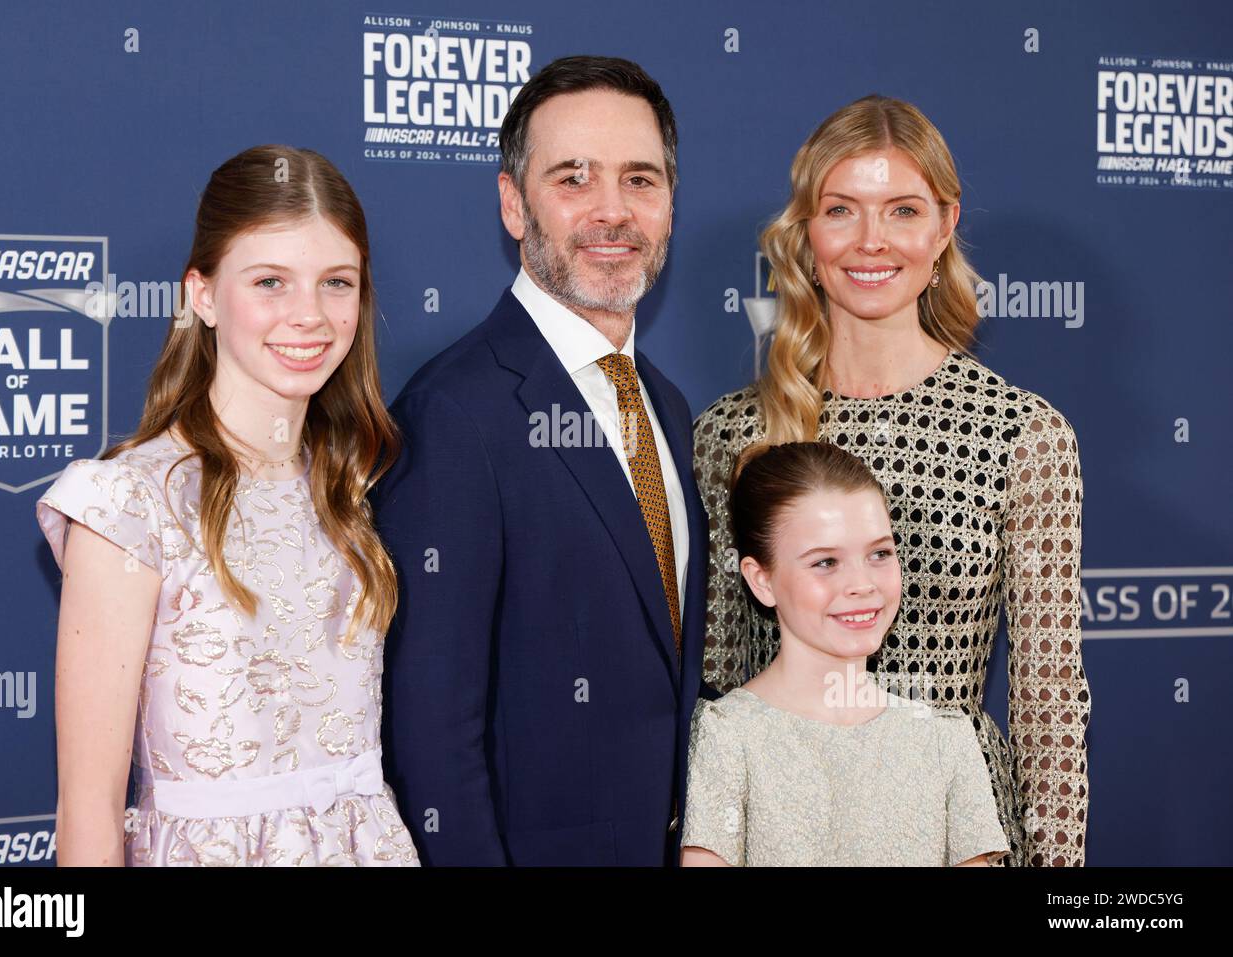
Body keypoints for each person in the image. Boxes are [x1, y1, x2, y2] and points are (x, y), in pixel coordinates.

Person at [692, 94, 1090, 866]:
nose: (871, 240)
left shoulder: (1023, 435)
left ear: (943, 228)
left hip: (956, 829)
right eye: (841, 210)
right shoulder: (730, 433)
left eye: (902, 210)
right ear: (807, 232)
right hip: (787, 823)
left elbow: (1050, 709)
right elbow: (722, 675)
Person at [35, 145, 418, 866]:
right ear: (203, 296)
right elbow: (88, 808)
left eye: (336, 283)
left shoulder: (351, 490)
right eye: (270, 281)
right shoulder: (130, 501)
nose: (310, 316)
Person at [372, 55, 712, 866]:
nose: (612, 210)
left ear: (670, 202)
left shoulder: (666, 404)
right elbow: (430, 729)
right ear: (512, 203)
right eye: (573, 178)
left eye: (640, 180)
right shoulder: (452, 412)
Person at [681, 441, 1010, 866]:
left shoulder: (944, 742)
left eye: (879, 553)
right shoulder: (728, 736)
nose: (862, 584)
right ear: (761, 580)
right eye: (825, 562)